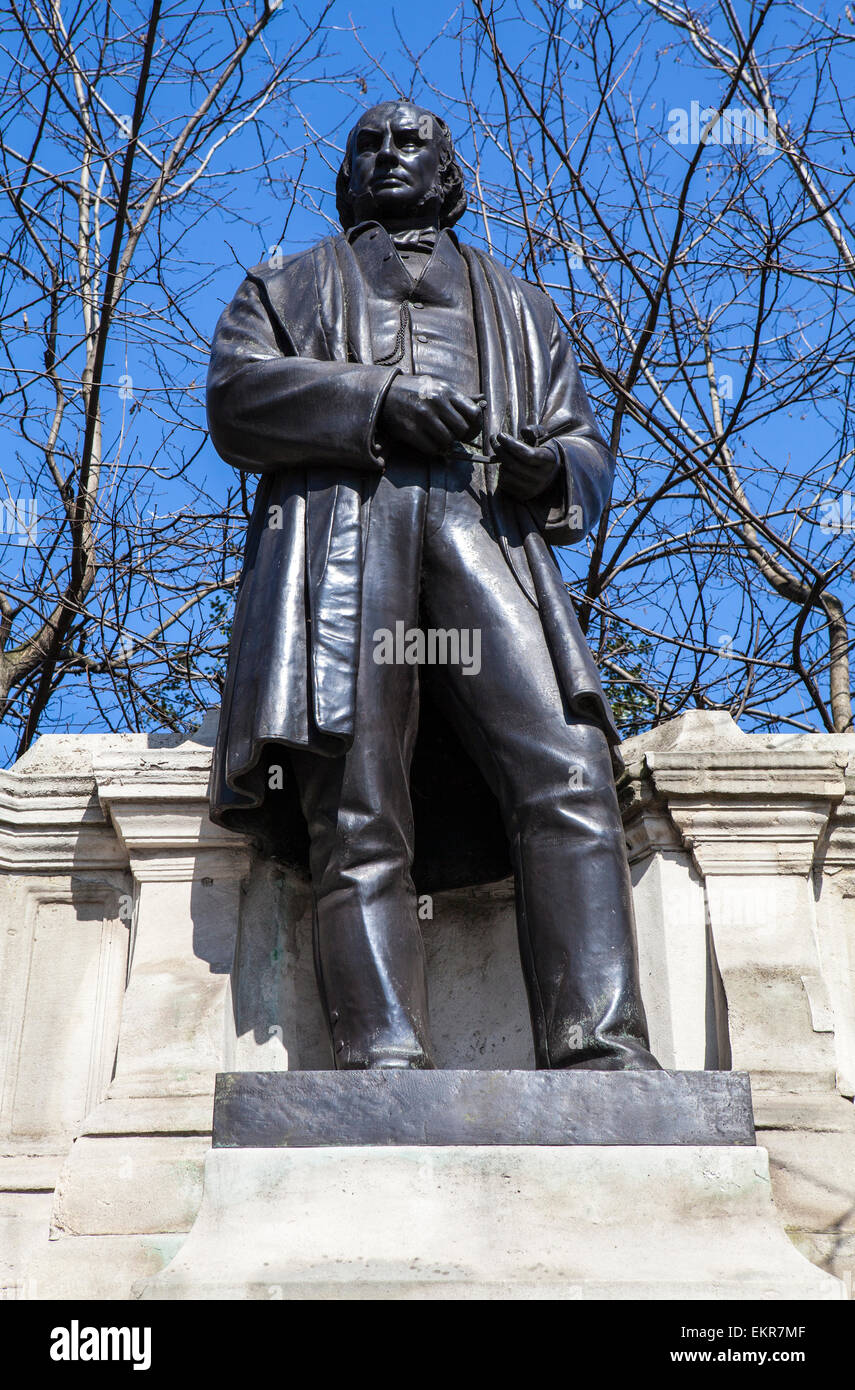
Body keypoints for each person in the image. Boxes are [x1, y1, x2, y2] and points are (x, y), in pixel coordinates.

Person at [206, 100, 659, 1073]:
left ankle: (600, 1046)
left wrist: (550, 470)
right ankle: (382, 1060)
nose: (386, 154)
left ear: (449, 173)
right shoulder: (286, 287)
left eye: (410, 141)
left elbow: (585, 449)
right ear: (348, 175)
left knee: (568, 765)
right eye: (367, 142)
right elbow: (236, 398)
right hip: (346, 540)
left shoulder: (524, 308)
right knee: (358, 803)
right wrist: (379, 398)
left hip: (481, 523)